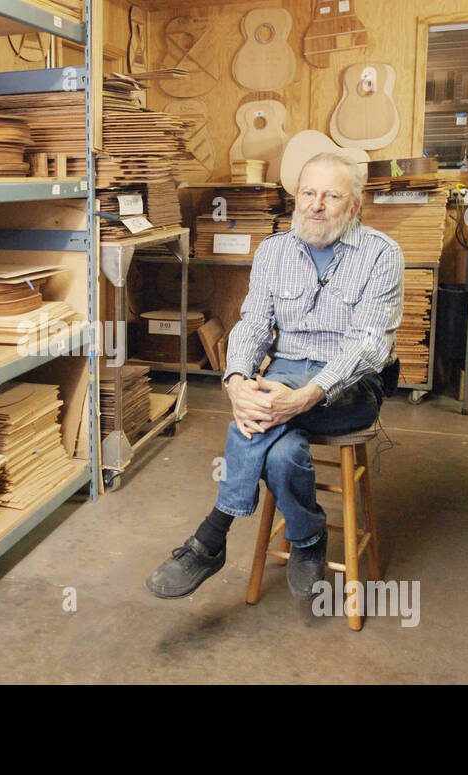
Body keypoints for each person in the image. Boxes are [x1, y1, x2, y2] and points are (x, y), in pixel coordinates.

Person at [146, 151, 404, 601]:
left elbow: (368, 345)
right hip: (282, 378)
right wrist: (237, 382)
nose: (316, 205)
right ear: (295, 199)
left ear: (355, 206)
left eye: (331, 196)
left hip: (352, 385)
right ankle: (309, 539)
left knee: (265, 420)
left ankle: (212, 537)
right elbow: (252, 324)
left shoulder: (382, 254)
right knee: (283, 455)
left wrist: (306, 395)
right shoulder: (273, 250)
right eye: (307, 193)